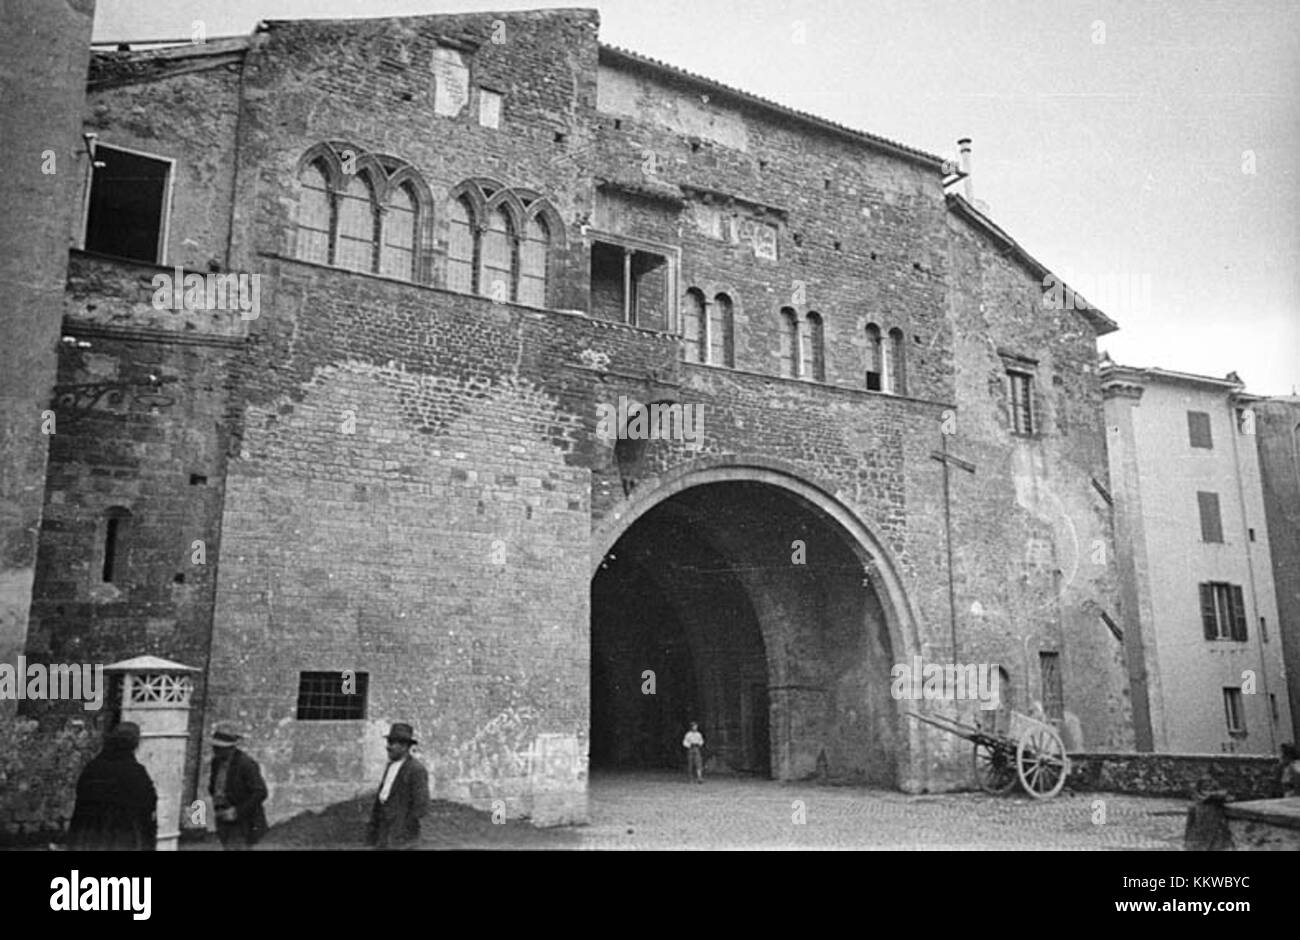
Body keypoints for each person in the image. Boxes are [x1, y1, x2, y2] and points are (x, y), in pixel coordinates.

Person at [66, 721, 158, 850]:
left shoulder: (93, 768)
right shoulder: (136, 772)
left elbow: (81, 802)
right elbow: (148, 805)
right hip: (122, 839)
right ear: (134, 744)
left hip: (90, 839)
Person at [367, 722, 429, 849]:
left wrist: (405, 826)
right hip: (384, 829)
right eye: (388, 742)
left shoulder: (416, 769)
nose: (388, 747)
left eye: (392, 743)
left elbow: (421, 805)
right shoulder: (390, 766)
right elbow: (384, 795)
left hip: (402, 834)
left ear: (404, 746)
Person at [208, 724, 269, 850]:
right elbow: (214, 786)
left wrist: (237, 811)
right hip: (222, 815)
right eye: (214, 747)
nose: (215, 750)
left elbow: (260, 792)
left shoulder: (245, 764)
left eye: (219, 748)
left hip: (243, 821)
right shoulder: (216, 762)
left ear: (230, 748)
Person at [1183, 776, 1233, 851]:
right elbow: (1189, 825)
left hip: (1214, 834)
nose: (1208, 790)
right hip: (1200, 836)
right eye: (1205, 787)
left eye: (1210, 787)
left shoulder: (1216, 800)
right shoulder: (1195, 805)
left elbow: (1228, 797)